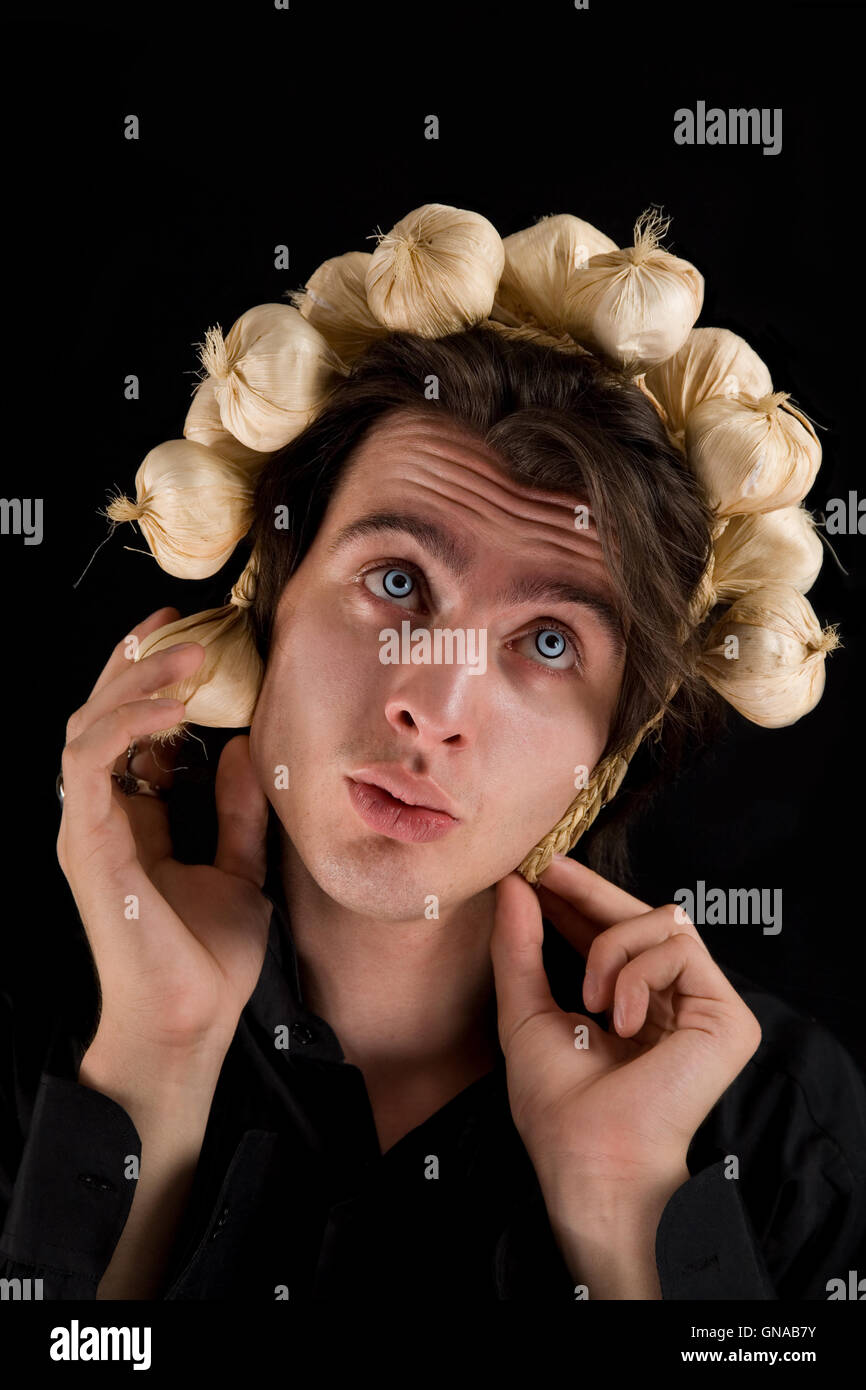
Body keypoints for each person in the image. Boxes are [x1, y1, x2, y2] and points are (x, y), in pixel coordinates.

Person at [2, 209, 864, 1302]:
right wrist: (149, 1073)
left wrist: (628, 1211)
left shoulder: (780, 1127)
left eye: (548, 641)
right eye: (398, 582)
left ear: (611, 742)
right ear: (271, 599)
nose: (434, 704)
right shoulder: (42, 1037)